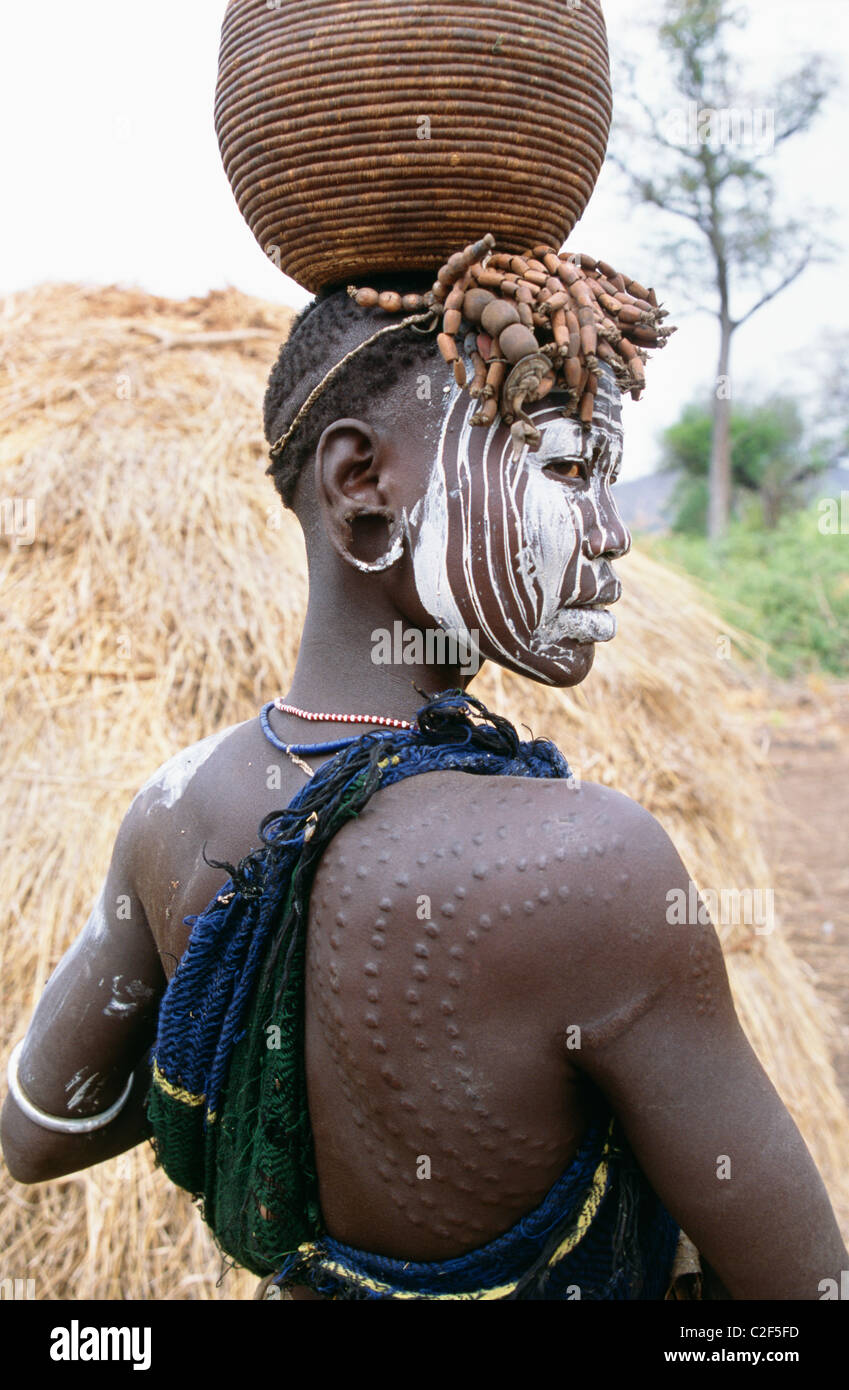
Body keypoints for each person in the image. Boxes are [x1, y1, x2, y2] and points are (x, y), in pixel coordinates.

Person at [2, 249, 846, 1301]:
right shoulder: (594, 867)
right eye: (569, 469)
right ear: (362, 488)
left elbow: (40, 1129)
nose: (614, 533)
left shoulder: (177, 811)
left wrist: (252, 1028)